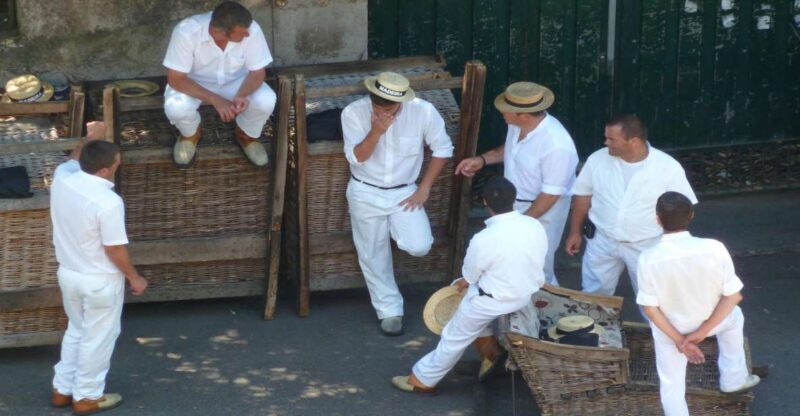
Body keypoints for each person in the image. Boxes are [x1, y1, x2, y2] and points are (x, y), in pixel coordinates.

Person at [391, 176, 547, 393]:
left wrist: (463, 282)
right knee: (472, 294)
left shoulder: (483, 239)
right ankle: (489, 351)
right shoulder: (534, 225)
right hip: (524, 294)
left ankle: (422, 380)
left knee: (453, 337)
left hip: (492, 301)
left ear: (484, 202)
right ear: (514, 199)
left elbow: (470, 275)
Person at [341, 71, 453, 336]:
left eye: (388, 107)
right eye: (377, 104)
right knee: (371, 252)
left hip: (405, 191)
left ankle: (394, 232)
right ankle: (389, 310)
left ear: (401, 101)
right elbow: (357, 157)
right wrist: (376, 132)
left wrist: (425, 187)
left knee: (419, 245)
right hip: (365, 190)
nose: (382, 110)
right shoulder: (353, 112)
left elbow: (443, 149)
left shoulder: (423, 111)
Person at [49, 122, 149, 415]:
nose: (118, 166)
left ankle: (62, 389)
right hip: (100, 280)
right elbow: (114, 249)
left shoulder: (63, 178)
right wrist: (135, 278)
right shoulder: (108, 202)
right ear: (105, 171)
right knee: (98, 338)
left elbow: (72, 158)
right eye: (116, 164)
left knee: (76, 331)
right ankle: (88, 396)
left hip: (68, 272)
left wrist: (92, 138)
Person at [637, 191, 760, 416]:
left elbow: (649, 309)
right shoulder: (714, 248)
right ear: (691, 215)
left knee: (671, 385)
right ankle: (733, 378)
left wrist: (681, 342)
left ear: (657, 219)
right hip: (712, 323)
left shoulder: (647, 258)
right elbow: (734, 297)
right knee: (736, 317)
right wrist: (702, 332)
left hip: (670, 331)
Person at [455, 82, 578, 286]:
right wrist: (482, 160)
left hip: (542, 211)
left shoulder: (557, 145)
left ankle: (546, 312)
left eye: (506, 108)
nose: (501, 110)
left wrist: (521, 224)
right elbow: (511, 149)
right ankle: (515, 312)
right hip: (510, 205)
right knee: (509, 262)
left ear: (524, 115)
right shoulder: (516, 125)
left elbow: (550, 195)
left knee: (537, 268)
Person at [565, 114, 697, 301]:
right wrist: (575, 232)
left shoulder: (668, 167)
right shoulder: (597, 160)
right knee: (593, 295)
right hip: (602, 241)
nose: (606, 143)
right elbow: (582, 196)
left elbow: (683, 208)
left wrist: (673, 245)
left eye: (612, 139)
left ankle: (656, 331)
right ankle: (593, 329)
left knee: (652, 297)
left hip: (647, 244)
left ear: (634, 141)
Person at [163, 1, 276, 168]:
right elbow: (176, 79)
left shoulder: (251, 29)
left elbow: (257, 72)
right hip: (194, 84)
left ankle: (246, 135)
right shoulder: (186, 32)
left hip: (237, 81)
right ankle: (190, 135)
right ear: (219, 32)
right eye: (241, 34)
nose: (247, 35)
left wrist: (243, 94)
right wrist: (216, 100)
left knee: (266, 100)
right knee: (176, 108)